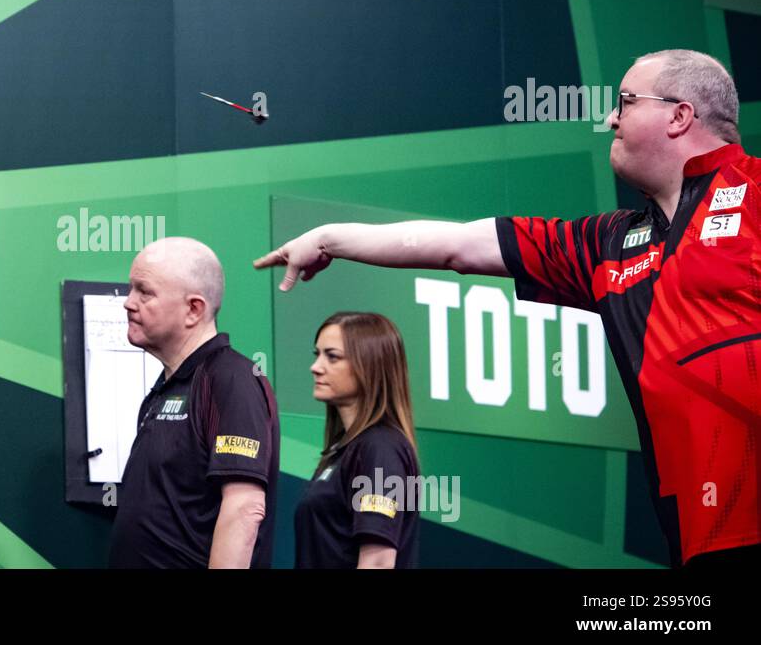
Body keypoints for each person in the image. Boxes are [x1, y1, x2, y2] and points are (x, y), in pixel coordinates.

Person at [256, 49, 760, 568]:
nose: (611, 117)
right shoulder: (610, 243)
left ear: (679, 116)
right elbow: (460, 246)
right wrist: (328, 237)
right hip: (698, 533)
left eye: (626, 101)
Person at [108, 237, 280, 568]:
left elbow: (244, 508)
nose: (128, 302)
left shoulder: (231, 379)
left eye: (145, 292)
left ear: (193, 309)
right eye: (131, 289)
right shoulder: (166, 389)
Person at [295, 312, 420, 569]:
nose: (315, 367)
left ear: (369, 365)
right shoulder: (346, 448)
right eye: (317, 354)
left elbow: (378, 562)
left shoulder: (381, 448)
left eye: (332, 357)